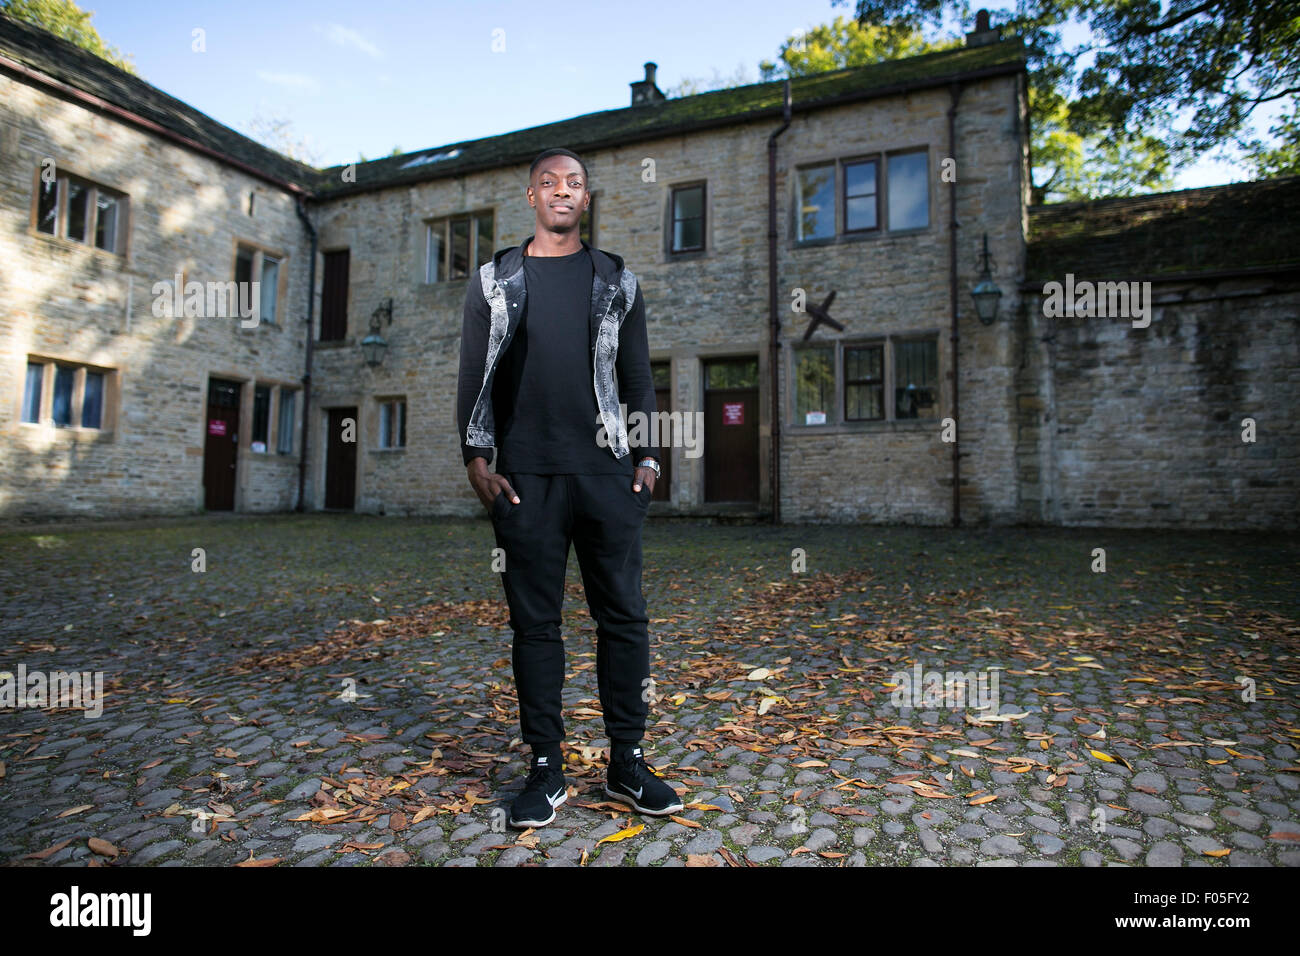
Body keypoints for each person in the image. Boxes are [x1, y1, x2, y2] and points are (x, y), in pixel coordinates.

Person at [456, 147, 684, 828]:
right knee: (536, 623)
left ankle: (627, 762)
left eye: (574, 183)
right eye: (549, 183)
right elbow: (474, 373)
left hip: (607, 472)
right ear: (531, 197)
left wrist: (647, 459)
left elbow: (640, 376)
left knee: (624, 617)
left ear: (587, 199)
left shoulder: (617, 281)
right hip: (523, 476)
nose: (562, 191)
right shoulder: (494, 281)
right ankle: (546, 768)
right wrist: (475, 456)